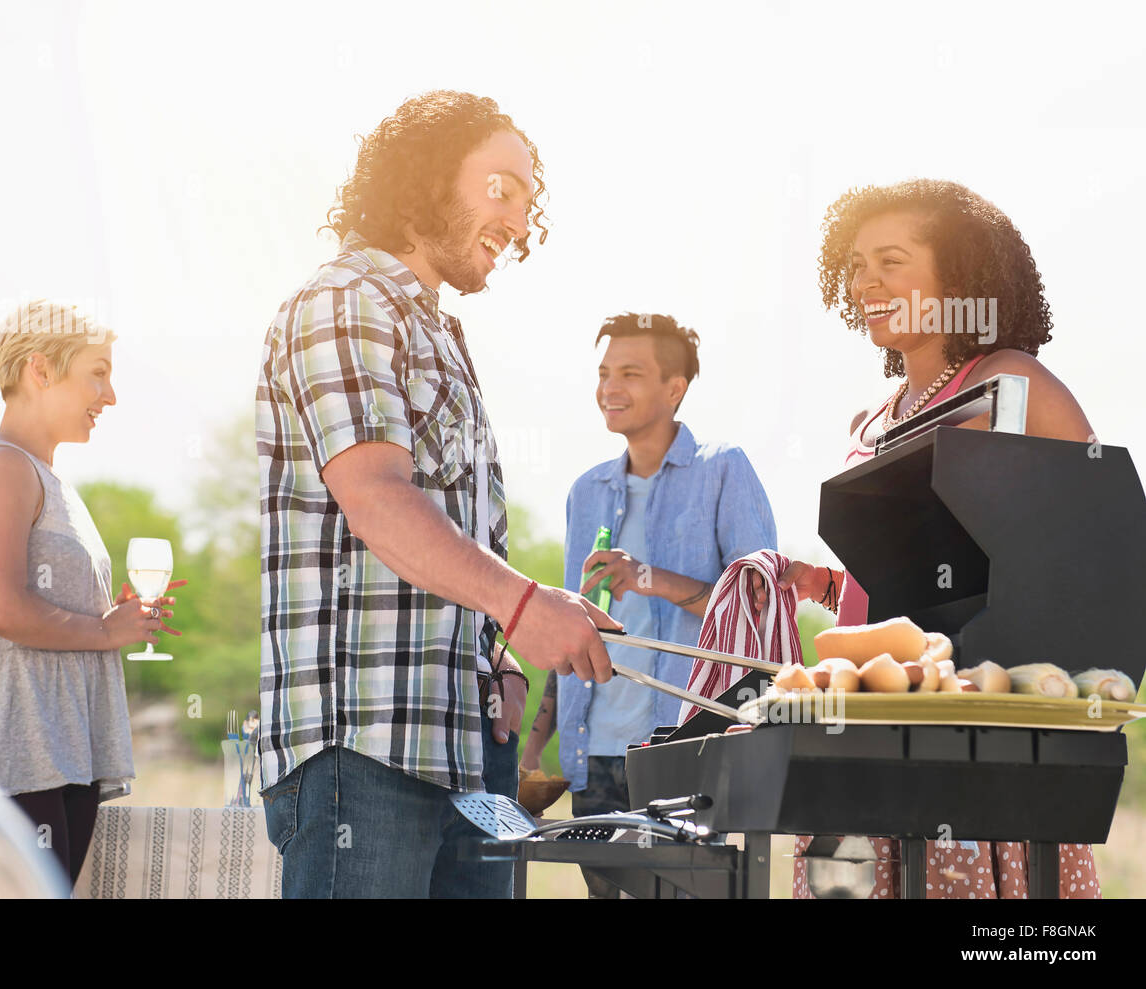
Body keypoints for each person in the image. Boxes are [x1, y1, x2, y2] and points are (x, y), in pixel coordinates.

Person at [255, 91, 618, 899]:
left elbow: (444, 540)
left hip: (463, 753)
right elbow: (378, 499)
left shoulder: (437, 332)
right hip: (365, 754)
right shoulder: (346, 302)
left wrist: (496, 656)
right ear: (422, 182)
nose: (520, 221)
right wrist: (525, 605)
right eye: (501, 188)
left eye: (529, 201)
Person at [751, 178, 1099, 899]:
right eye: (856, 265)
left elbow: (1096, 540)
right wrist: (830, 586)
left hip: (976, 731)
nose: (867, 281)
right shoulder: (869, 420)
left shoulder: (1013, 383)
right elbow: (910, 570)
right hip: (865, 724)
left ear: (959, 275)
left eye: (892, 259)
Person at [519, 312, 777, 897]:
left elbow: (759, 618)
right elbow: (572, 627)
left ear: (674, 388)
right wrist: (537, 743)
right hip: (594, 756)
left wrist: (649, 578)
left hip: (683, 751)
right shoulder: (586, 492)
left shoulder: (724, 470)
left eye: (630, 373)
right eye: (605, 372)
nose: (610, 388)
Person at [0, 300, 184, 887]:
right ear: (39, 369)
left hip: (59, 745)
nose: (111, 394)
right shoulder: (0, 466)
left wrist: (109, 614)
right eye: (97, 372)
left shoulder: (48, 479)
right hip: (15, 747)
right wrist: (103, 631)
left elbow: (39, 605)